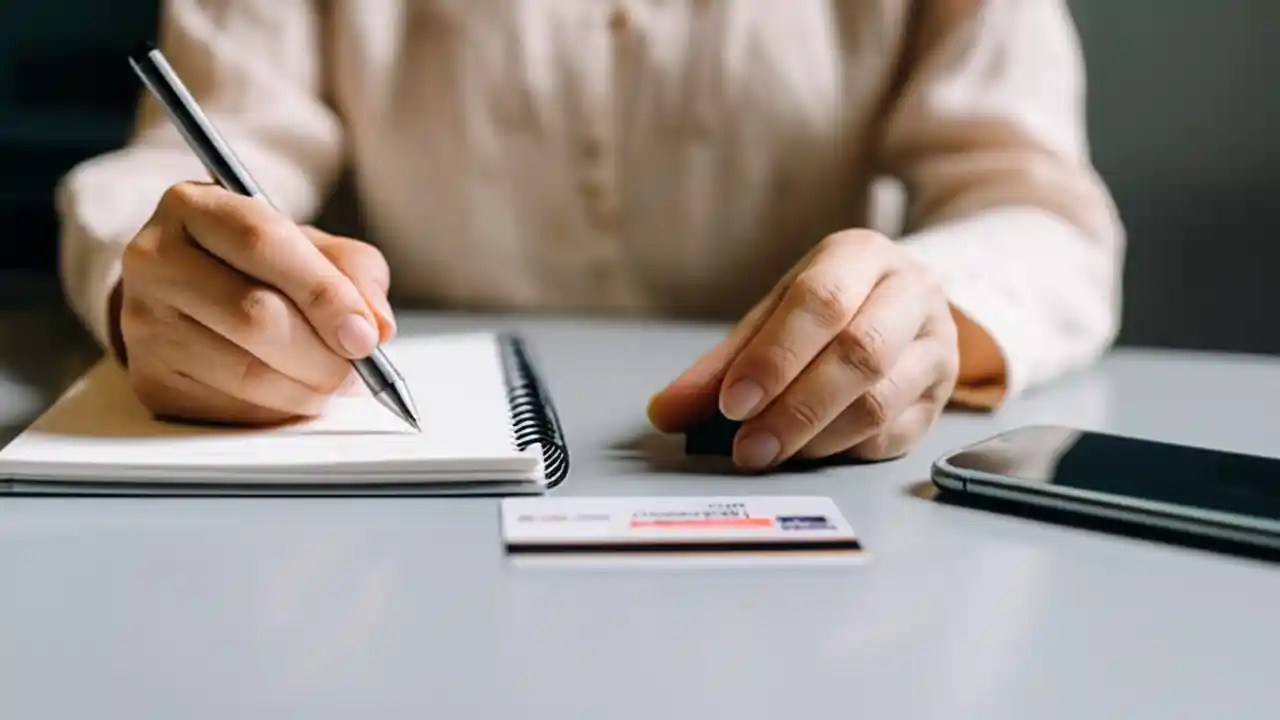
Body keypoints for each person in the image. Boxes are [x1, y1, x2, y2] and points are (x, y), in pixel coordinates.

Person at [57, 0, 1122, 471]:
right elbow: (190, 163)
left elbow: (1036, 204)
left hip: (815, 465)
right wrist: (155, 283)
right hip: (401, 508)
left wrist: (927, 307)